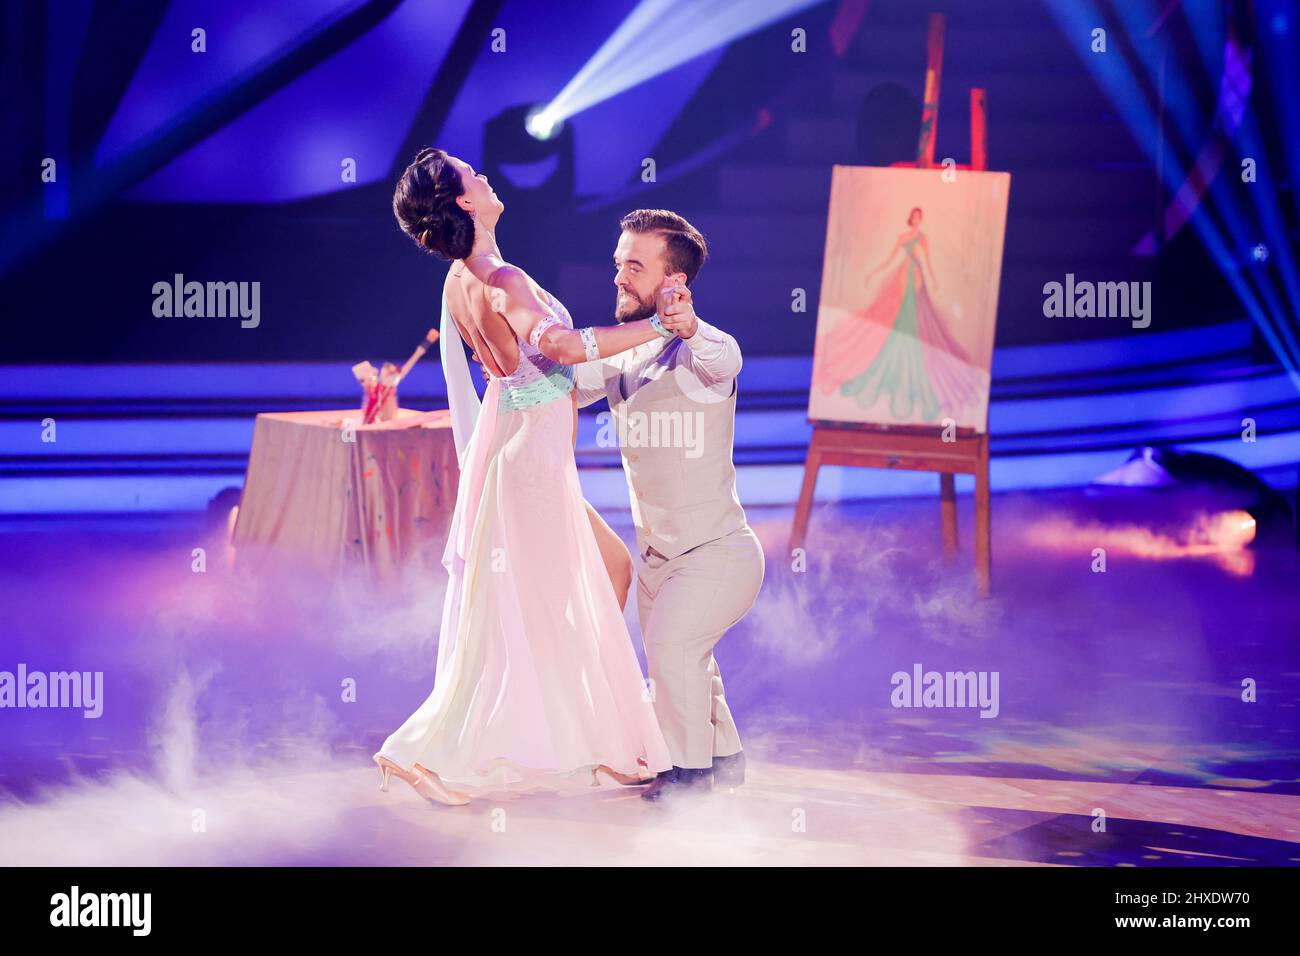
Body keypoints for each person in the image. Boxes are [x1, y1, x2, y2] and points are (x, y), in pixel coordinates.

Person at [371, 148, 676, 805]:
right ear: (463, 203)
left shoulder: (461, 278)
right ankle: (433, 753)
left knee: (605, 573)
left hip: (517, 443)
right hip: (530, 458)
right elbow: (560, 349)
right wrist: (655, 327)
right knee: (527, 610)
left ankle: (596, 736)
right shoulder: (500, 277)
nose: (483, 173)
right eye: (470, 173)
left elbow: (516, 367)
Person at [573, 209, 765, 802]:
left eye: (634, 266)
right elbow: (563, 385)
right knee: (689, 663)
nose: (619, 278)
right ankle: (725, 758)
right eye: (617, 264)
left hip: (718, 556)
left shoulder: (703, 353)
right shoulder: (626, 353)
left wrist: (688, 326)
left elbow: (724, 359)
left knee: (672, 650)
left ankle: (688, 782)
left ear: (675, 281)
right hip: (659, 560)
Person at [814, 206, 977, 422]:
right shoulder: (903, 238)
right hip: (903, 274)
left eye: (920, 216)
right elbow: (891, 258)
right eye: (915, 216)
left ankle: (915, 356)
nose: (917, 219)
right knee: (899, 314)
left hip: (917, 276)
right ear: (911, 218)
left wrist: (933, 280)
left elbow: (927, 261)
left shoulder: (923, 238)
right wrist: (874, 272)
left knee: (916, 316)